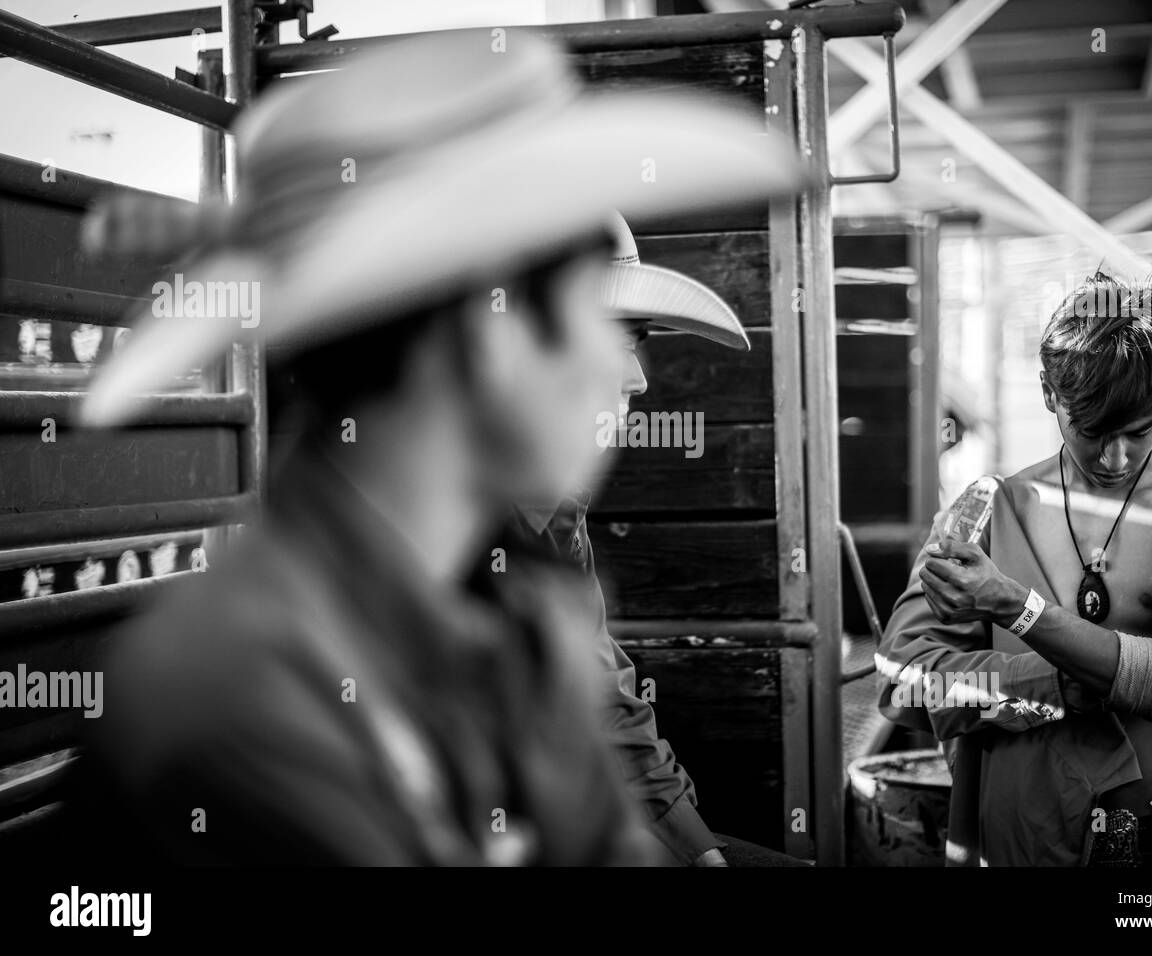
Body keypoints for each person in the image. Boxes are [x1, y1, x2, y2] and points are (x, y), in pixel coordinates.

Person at [63, 30, 802, 865]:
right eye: (602, 326)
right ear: (488, 334)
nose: (630, 380)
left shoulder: (519, 599)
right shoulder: (233, 706)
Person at [876, 271, 1152, 867]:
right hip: (1026, 845)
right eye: (1093, 432)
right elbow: (901, 683)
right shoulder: (985, 512)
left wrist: (1014, 607)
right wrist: (1052, 686)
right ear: (1050, 393)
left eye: (1141, 429)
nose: (1117, 457)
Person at [513, 214, 805, 866]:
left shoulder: (556, 519)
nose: (638, 379)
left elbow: (607, 708)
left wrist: (700, 853)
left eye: (636, 340)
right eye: (608, 336)